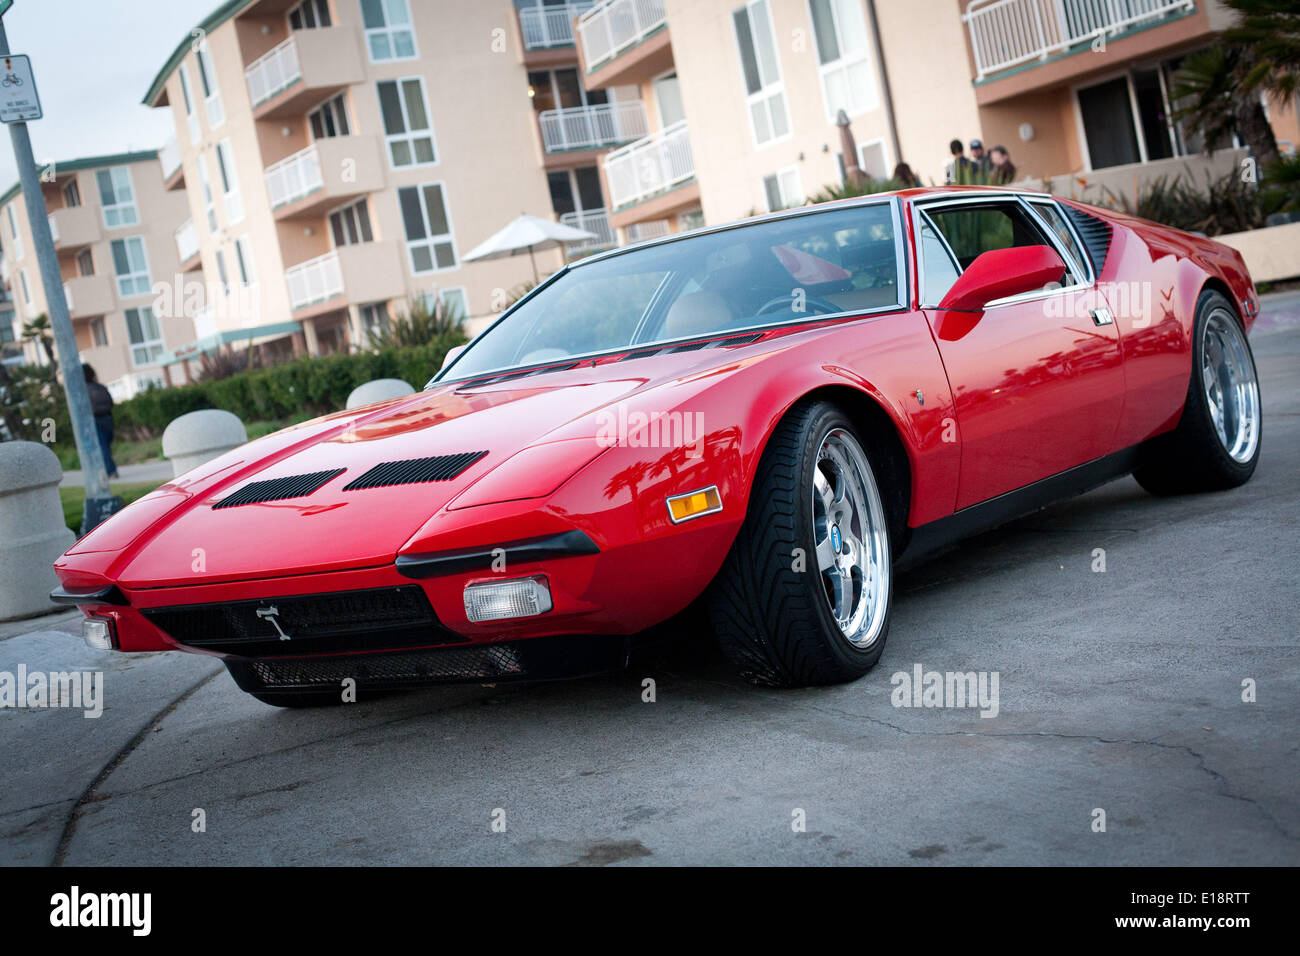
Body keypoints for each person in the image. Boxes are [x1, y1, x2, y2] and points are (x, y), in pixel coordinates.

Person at [83, 364, 118, 479]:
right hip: (107, 418)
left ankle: (110, 471)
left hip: (94, 420)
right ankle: (111, 469)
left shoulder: (82, 391)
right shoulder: (101, 387)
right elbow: (111, 402)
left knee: (101, 447)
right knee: (106, 446)